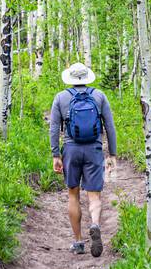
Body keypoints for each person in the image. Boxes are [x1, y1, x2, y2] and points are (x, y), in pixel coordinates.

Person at [49, 62, 116, 256]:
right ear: (87, 78)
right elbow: (110, 127)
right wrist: (112, 154)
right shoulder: (99, 96)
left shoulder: (60, 98)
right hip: (94, 150)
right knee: (94, 195)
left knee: (73, 194)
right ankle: (94, 224)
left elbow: (54, 129)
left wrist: (55, 155)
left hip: (71, 150)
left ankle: (78, 242)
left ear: (70, 78)